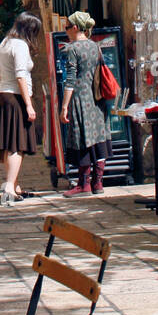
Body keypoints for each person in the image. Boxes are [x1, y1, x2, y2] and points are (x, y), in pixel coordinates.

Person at [59, 11, 111, 196]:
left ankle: (84, 184)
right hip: (97, 98)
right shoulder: (95, 47)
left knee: (82, 139)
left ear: (75, 28)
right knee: (97, 138)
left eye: (66, 27)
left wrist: (64, 106)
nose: (65, 31)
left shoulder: (72, 49)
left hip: (80, 98)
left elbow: (70, 79)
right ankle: (98, 183)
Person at [0, 12, 42, 206]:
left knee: (9, 143)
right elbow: (21, 75)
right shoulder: (20, 45)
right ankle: (9, 187)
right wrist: (29, 104)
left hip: (3, 94)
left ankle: (14, 184)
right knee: (17, 145)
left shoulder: (5, 42)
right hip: (16, 97)